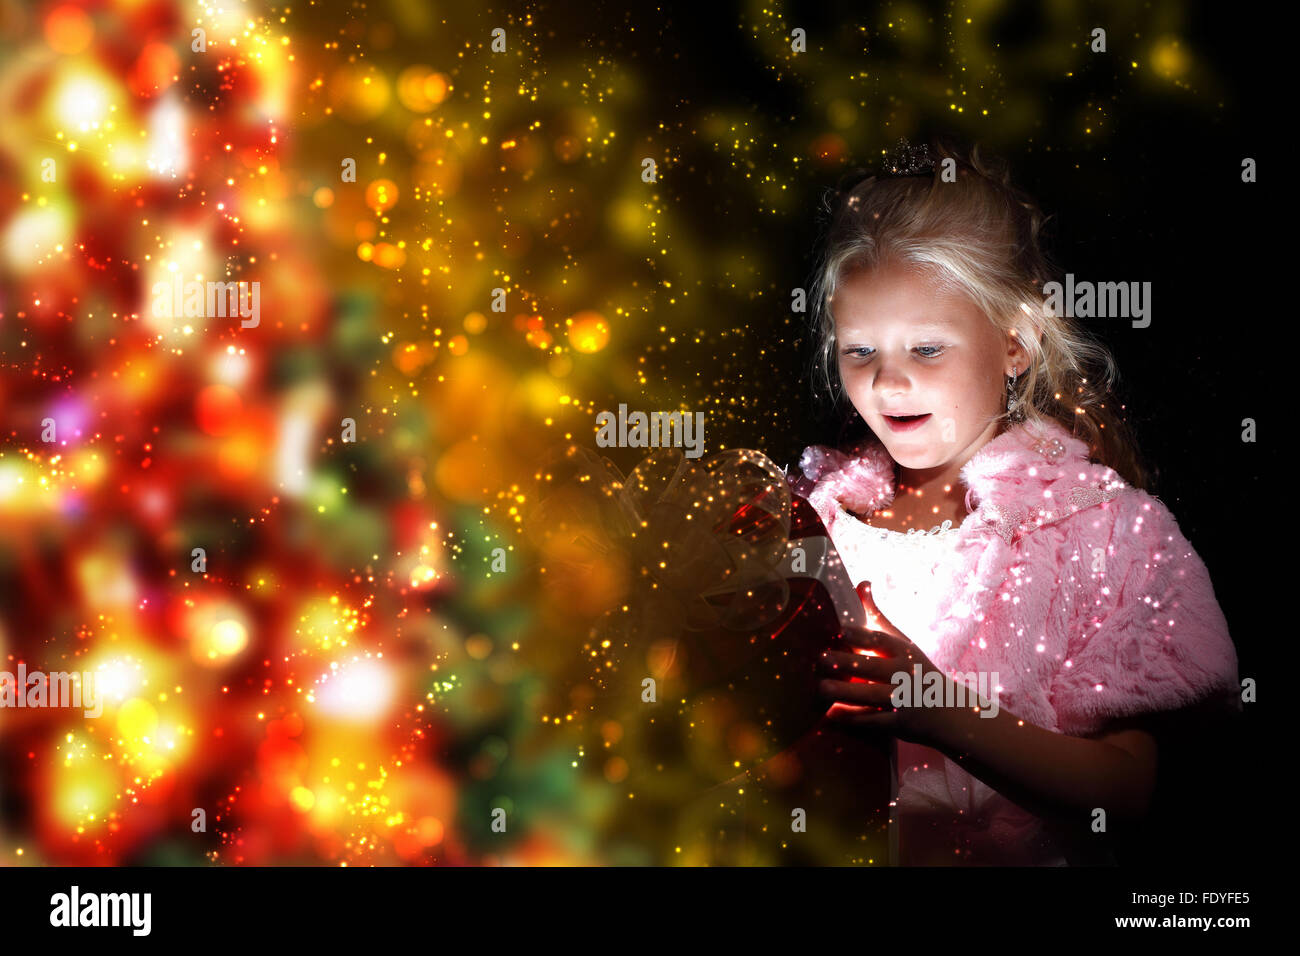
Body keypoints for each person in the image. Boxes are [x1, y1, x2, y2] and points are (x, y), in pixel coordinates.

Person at [795, 139, 1241, 865]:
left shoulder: (1107, 535)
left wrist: (941, 713)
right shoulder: (815, 526)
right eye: (860, 352)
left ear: (1016, 342)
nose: (888, 383)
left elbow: (1127, 793)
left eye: (927, 349)